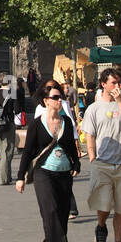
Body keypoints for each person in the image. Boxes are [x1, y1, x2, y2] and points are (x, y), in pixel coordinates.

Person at [16, 81, 81, 242]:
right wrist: (20, 177)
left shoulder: (66, 122)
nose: (59, 100)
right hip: (43, 172)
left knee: (61, 214)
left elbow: (70, 146)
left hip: (63, 172)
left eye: (61, 97)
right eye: (55, 97)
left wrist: (76, 164)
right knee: (50, 211)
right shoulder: (37, 124)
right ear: (46, 101)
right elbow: (28, 151)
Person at [82, 67, 121, 242]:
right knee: (104, 202)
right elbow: (90, 134)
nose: (117, 86)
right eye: (113, 83)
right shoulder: (94, 108)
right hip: (103, 163)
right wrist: (92, 156)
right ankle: (101, 226)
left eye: (119, 83)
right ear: (103, 84)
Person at [35, 78, 81, 218]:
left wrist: (76, 143)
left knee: (65, 177)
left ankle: (71, 208)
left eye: (55, 90)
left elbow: (71, 124)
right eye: (49, 90)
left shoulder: (64, 105)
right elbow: (36, 129)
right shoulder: (39, 109)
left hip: (64, 146)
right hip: (47, 151)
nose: (56, 98)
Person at [0, 79, 16, 184]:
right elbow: (18, 109)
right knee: (8, 151)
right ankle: (4, 178)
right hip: (8, 124)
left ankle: (8, 177)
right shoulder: (12, 93)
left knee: (2, 151)